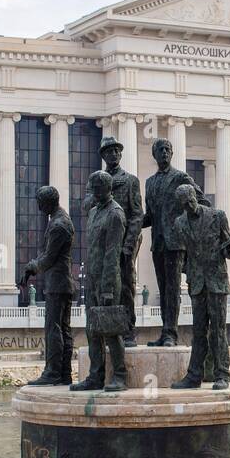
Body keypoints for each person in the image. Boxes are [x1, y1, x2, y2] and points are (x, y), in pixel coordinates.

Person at [170, 183, 230, 390]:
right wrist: (187, 270)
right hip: (196, 282)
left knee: (218, 330)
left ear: (195, 197)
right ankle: (194, 376)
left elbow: (229, 250)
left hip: (216, 281)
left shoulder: (217, 216)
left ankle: (223, 374)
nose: (190, 206)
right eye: (185, 204)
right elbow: (182, 255)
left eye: (191, 201)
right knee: (198, 330)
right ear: (181, 205)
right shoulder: (180, 223)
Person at [142, 138, 208, 346]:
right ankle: (165, 331)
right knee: (163, 289)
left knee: (173, 289)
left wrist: (191, 228)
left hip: (176, 243)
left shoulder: (181, 177)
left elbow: (202, 203)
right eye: (160, 150)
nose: (164, 153)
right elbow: (150, 215)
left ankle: (171, 333)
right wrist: (129, 223)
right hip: (158, 243)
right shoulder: (150, 183)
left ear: (172, 153)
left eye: (167, 149)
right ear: (154, 155)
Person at [71, 170, 128, 392]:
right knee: (92, 329)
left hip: (108, 280)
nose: (92, 192)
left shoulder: (115, 214)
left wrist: (107, 289)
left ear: (107, 189)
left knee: (111, 329)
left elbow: (112, 254)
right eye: (91, 188)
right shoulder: (94, 212)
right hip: (93, 277)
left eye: (96, 188)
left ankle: (120, 376)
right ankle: (96, 376)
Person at [88, 138, 143, 347]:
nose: (114, 155)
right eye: (109, 152)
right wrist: (100, 191)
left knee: (126, 284)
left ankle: (128, 330)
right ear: (103, 155)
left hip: (125, 239)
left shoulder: (130, 180)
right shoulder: (95, 180)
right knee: (104, 284)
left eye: (117, 151)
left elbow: (137, 214)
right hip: (103, 241)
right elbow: (86, 206)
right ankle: (106, 330)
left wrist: (128, 245)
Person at [22, 184, 78, 385]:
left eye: (40, 204)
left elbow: (48, 258)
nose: (38, 208)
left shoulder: (58, 225)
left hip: (58, 282)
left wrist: (31, 267)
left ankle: (53, 372)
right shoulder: (59, 220)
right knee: (63, 328)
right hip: (62, 282)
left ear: (48, 203)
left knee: (54, 328)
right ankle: (64, 374)